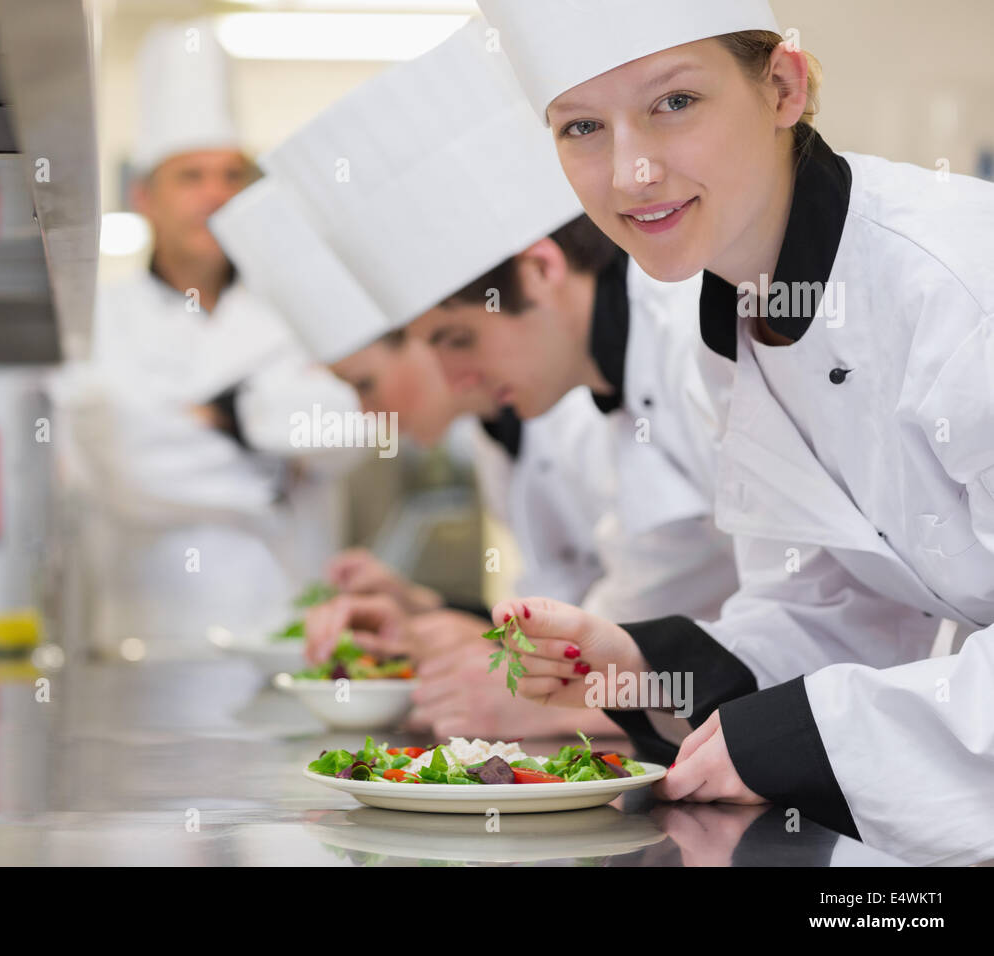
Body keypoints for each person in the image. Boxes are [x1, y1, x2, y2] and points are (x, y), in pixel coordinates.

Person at [478, 0, 994, 864]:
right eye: (581, 127)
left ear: (785, 86)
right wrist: (650, 665)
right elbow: (839, 607)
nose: (631, 172)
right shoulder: (729, 335)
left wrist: (812, 734)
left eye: (674, 103)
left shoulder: (957, 286)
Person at [211, 176, 620, 740]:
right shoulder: (495, 436)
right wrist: (424, 611)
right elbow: (572, 615)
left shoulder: (586, 405)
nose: (366, 411)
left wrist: (530, 684)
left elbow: (670, 634)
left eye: (366, 383)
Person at [49, 20, 358, 651]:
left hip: (293, 639)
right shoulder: (97, 322)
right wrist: (274, 467)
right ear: (144, 196)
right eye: (190, 176)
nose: (214, 195)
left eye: (232, 175)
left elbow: (352, 429)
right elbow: (122, 463)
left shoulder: (302, 311)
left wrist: (218, 420)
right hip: (148, 641)